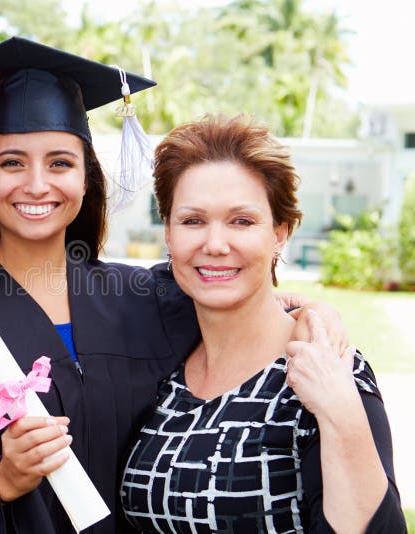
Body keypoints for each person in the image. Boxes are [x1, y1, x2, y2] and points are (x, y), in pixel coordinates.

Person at [0, 39, 341, 533]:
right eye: (10, 162)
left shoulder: (150, 300)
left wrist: (312, 313)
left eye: (60, 163)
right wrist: (1, 479)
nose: (35, 184)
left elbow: (240, 302)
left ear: (87, 177)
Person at [120, 115, 406, 533]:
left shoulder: (324, 370)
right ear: (168, 233)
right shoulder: (161, 365)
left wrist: (339, 407)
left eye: (242, 221)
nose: (215, 245)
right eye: (192, 220)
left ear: (280, 234)